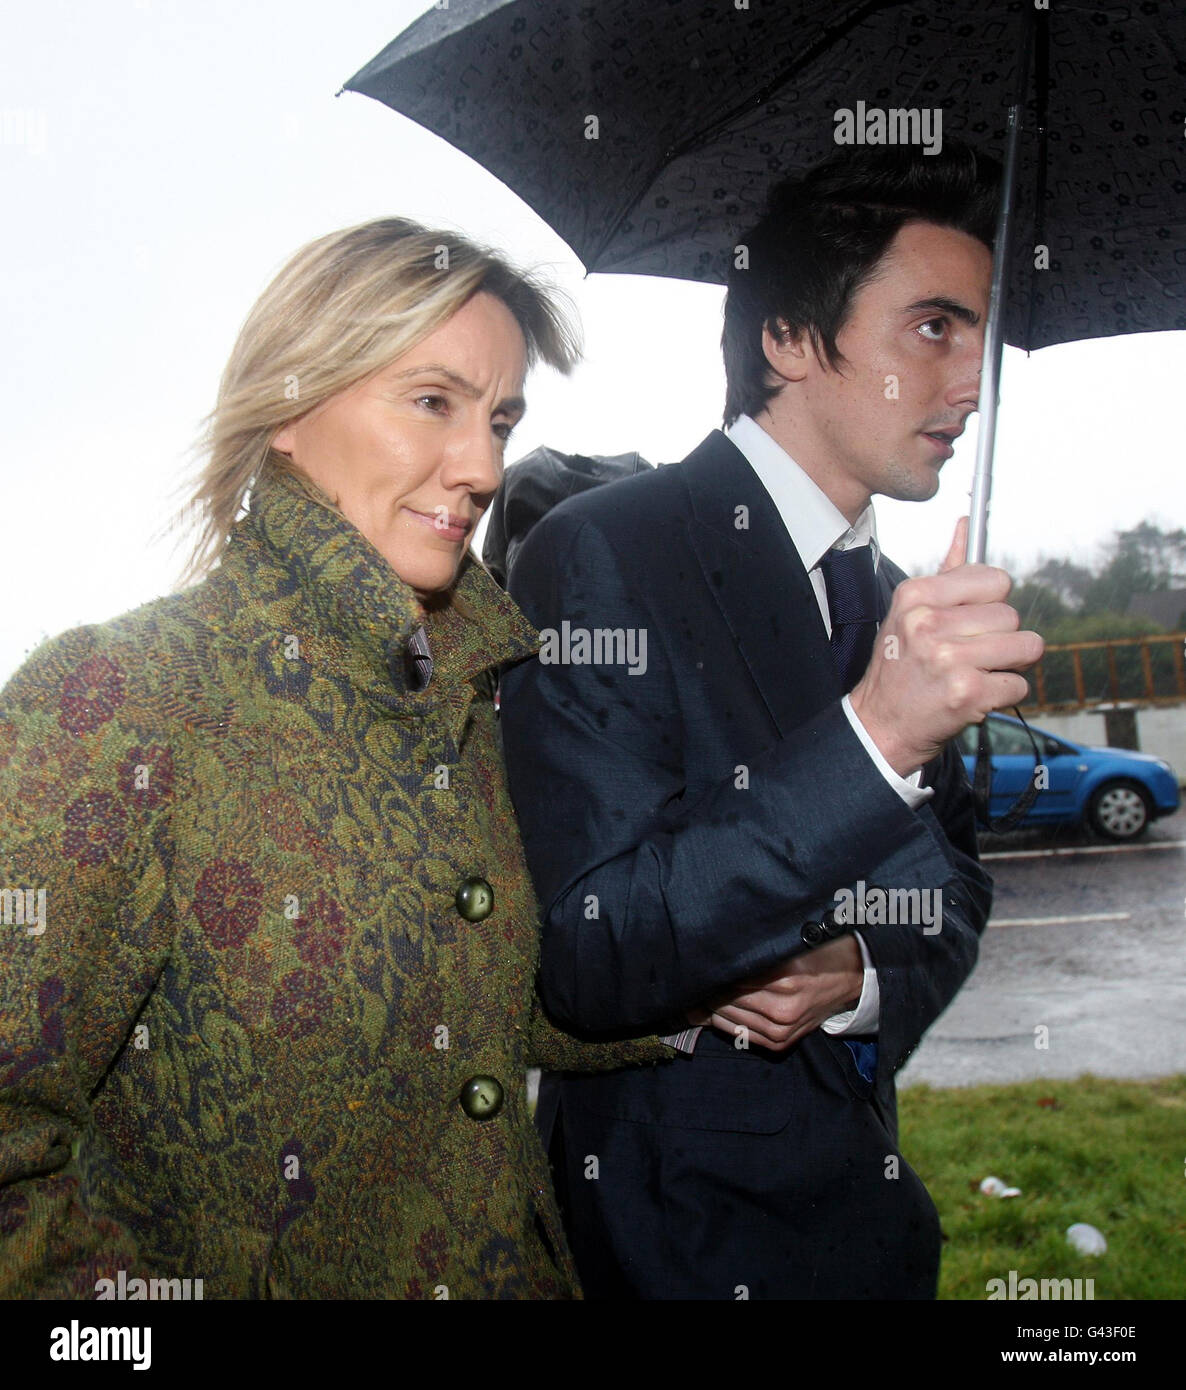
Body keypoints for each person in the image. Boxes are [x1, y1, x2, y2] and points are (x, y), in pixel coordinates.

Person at [0, 217, 672, 1300]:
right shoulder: (114, 702)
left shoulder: (468, 696)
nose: (485, 463)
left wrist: (717, 987)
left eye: (501, 418)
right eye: (432, 402)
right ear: (288, 407)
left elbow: (472, 1002)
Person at [498, 143, 1044, 1299]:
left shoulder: (897, 599)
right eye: (932, 329)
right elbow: (587, 950)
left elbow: (957, 886)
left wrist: (860, 978)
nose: (968, 385)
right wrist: (877, 737)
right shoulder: (602, 551)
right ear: (788, 338)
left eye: (977, 337)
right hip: (671, 1246)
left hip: (874, 1238)